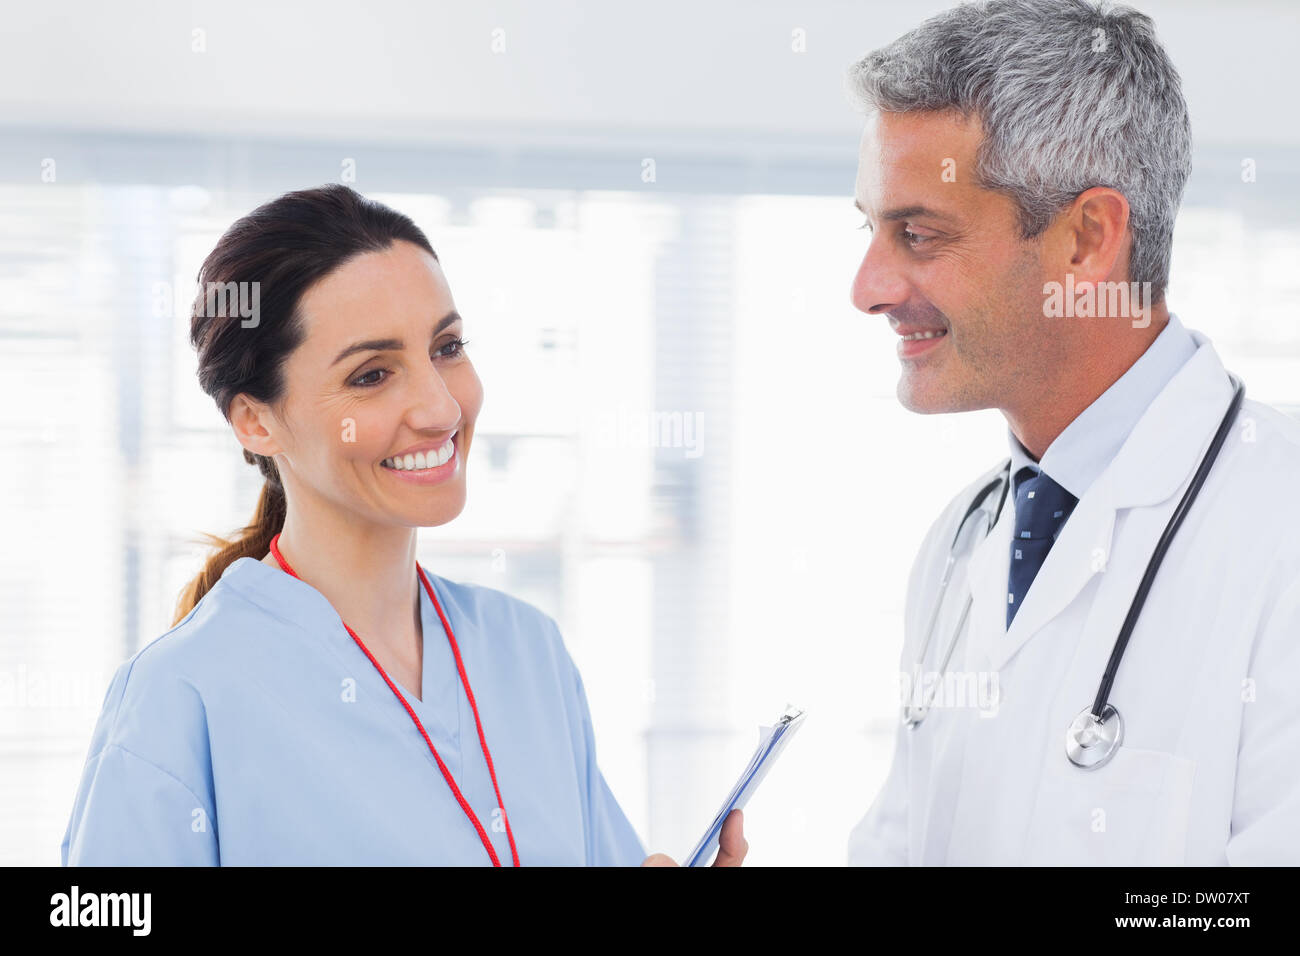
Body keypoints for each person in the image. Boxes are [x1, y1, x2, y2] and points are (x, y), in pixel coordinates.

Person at [60, 183, 745, 867]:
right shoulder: (182, 695)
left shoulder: (527, 654)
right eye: (373, 374)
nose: (441, 409)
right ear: (256, 420)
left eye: (447, 347)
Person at [844, 0, 1300, 864]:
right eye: (870, 229)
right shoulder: (963, 540)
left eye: (918, 234)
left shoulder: (1282, 533)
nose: (867, 287)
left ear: (1087, 241)